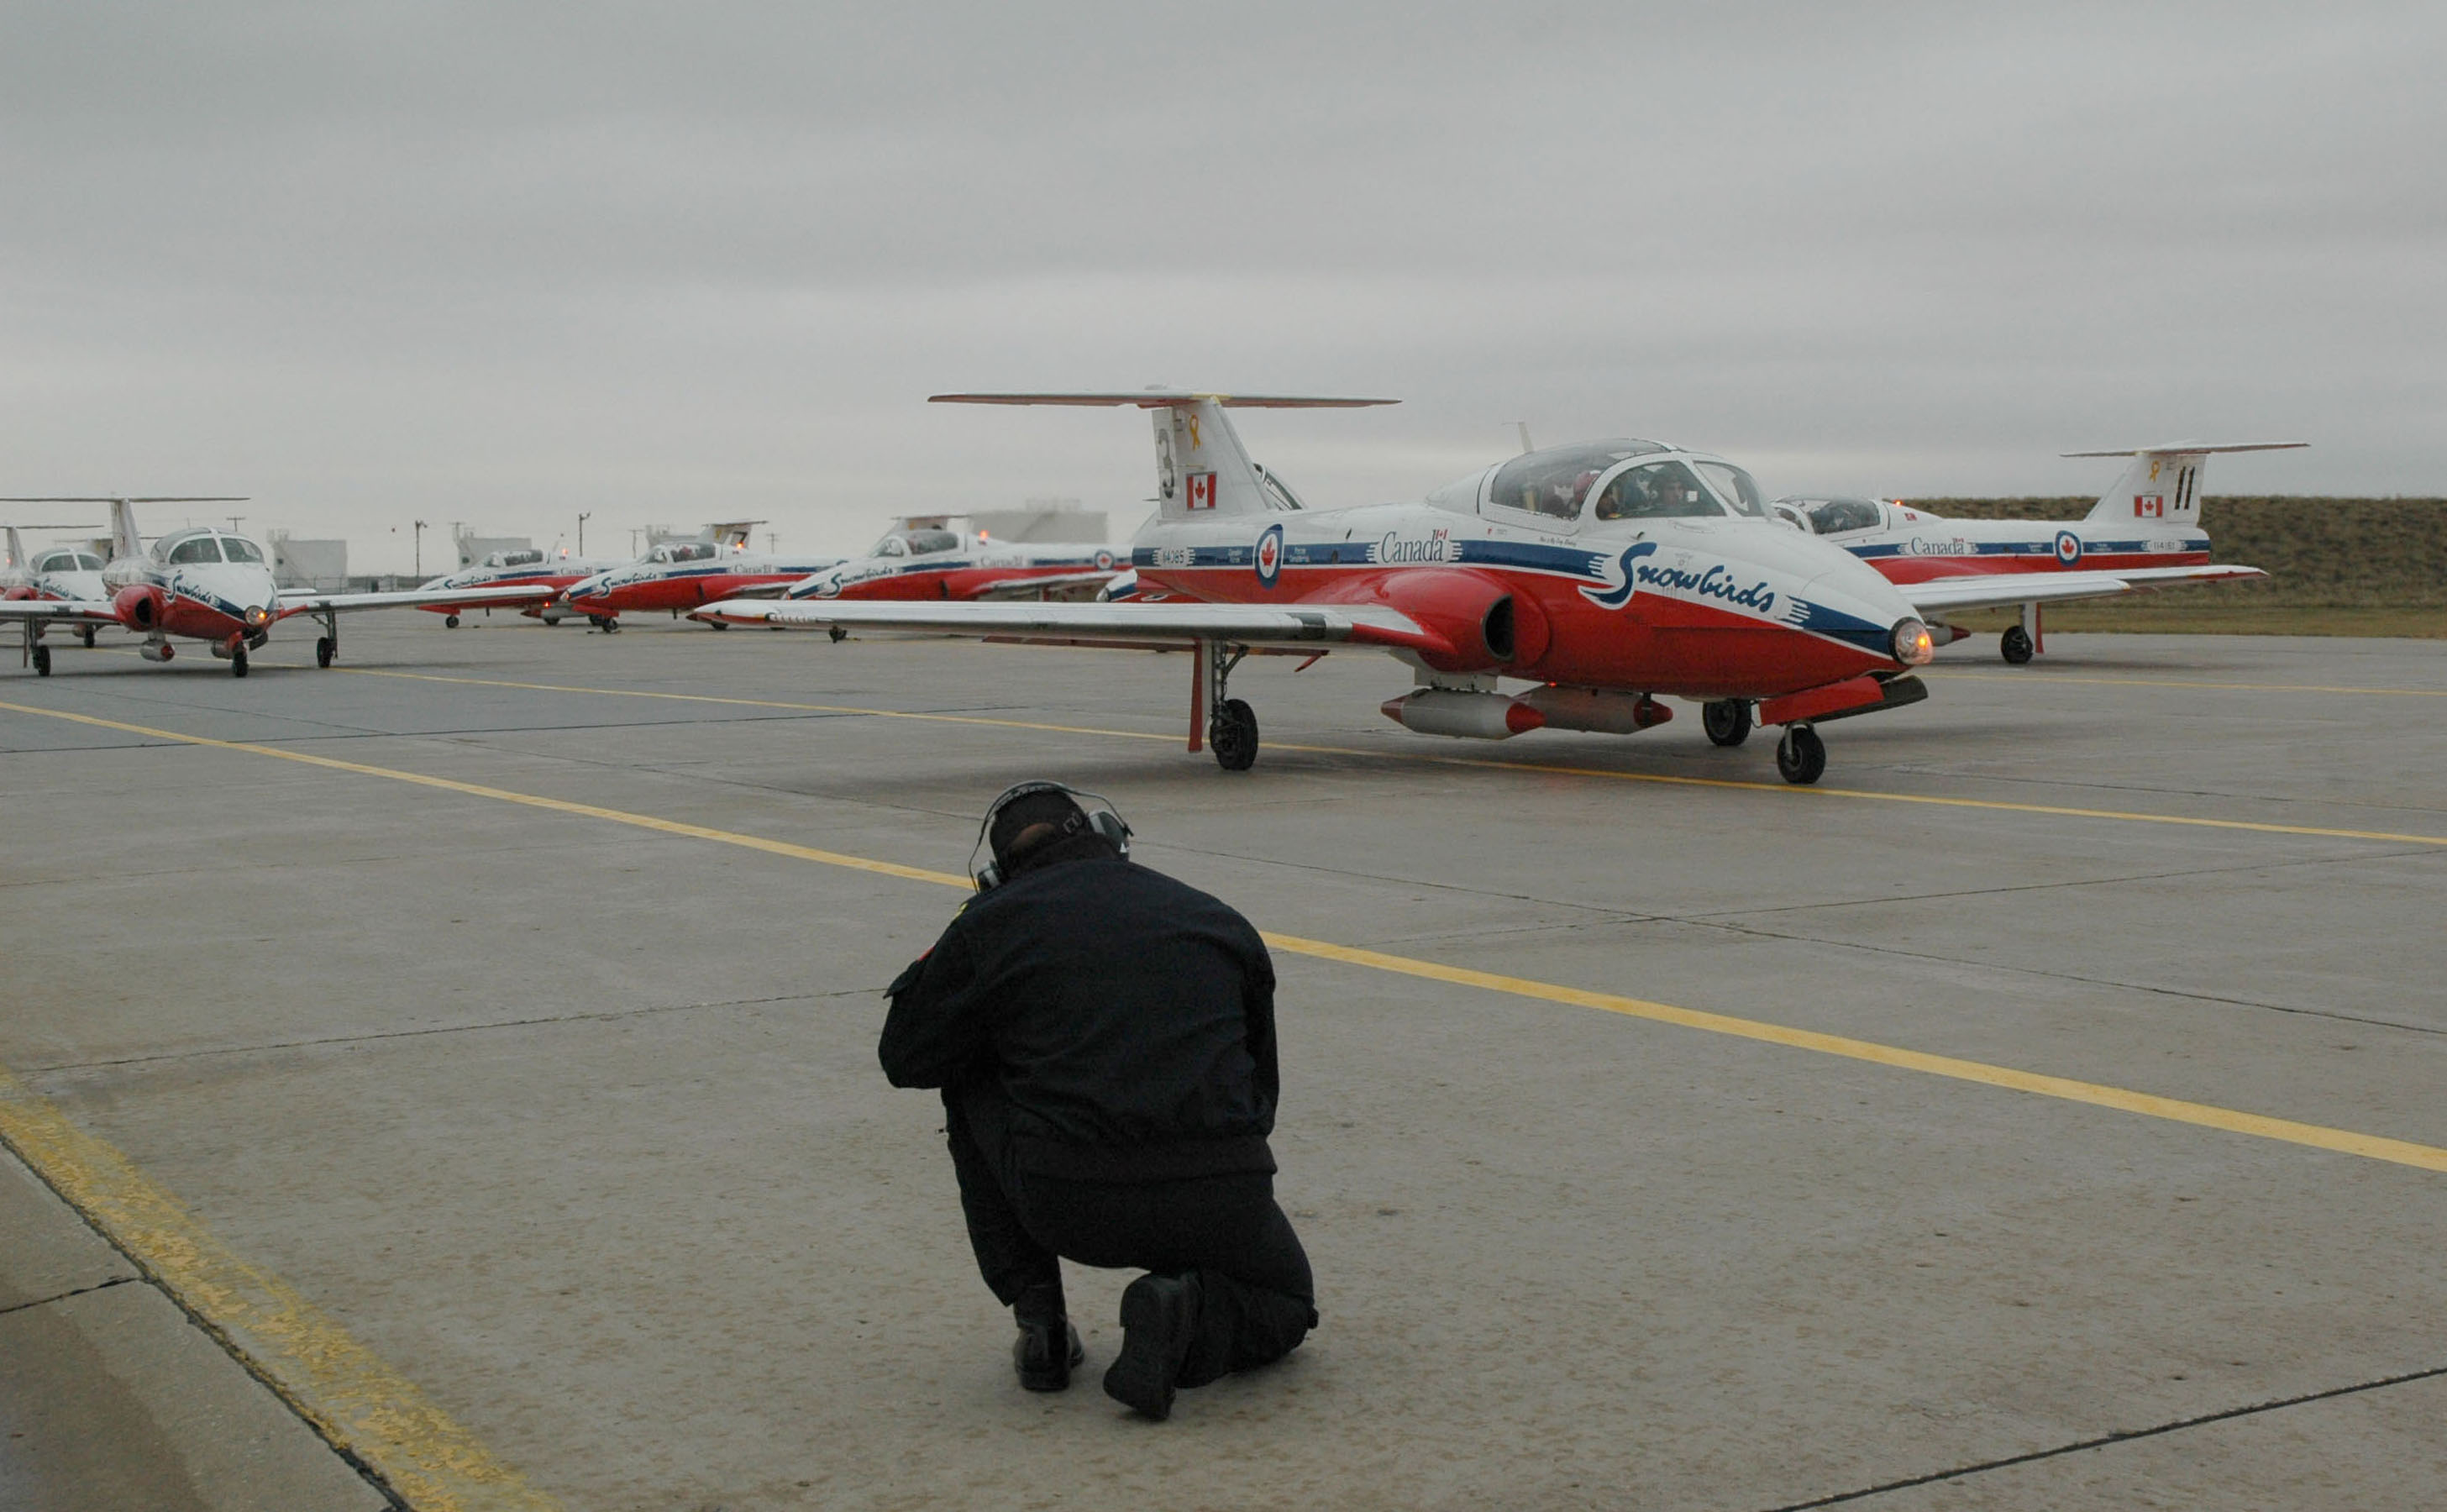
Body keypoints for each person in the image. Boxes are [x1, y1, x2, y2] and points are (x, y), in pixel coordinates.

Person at [880, 783, 1317, 1420]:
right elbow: (1261, 1086)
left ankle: (1042, 1330)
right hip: (1223, 1194)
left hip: (1071, 1204)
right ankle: (1188, 1308)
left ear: (995, 875)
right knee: (1285, 1304)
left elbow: (905, 1059)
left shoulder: (986, 927)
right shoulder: (1215, 917)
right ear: (1110, 835)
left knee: (967, 1071)